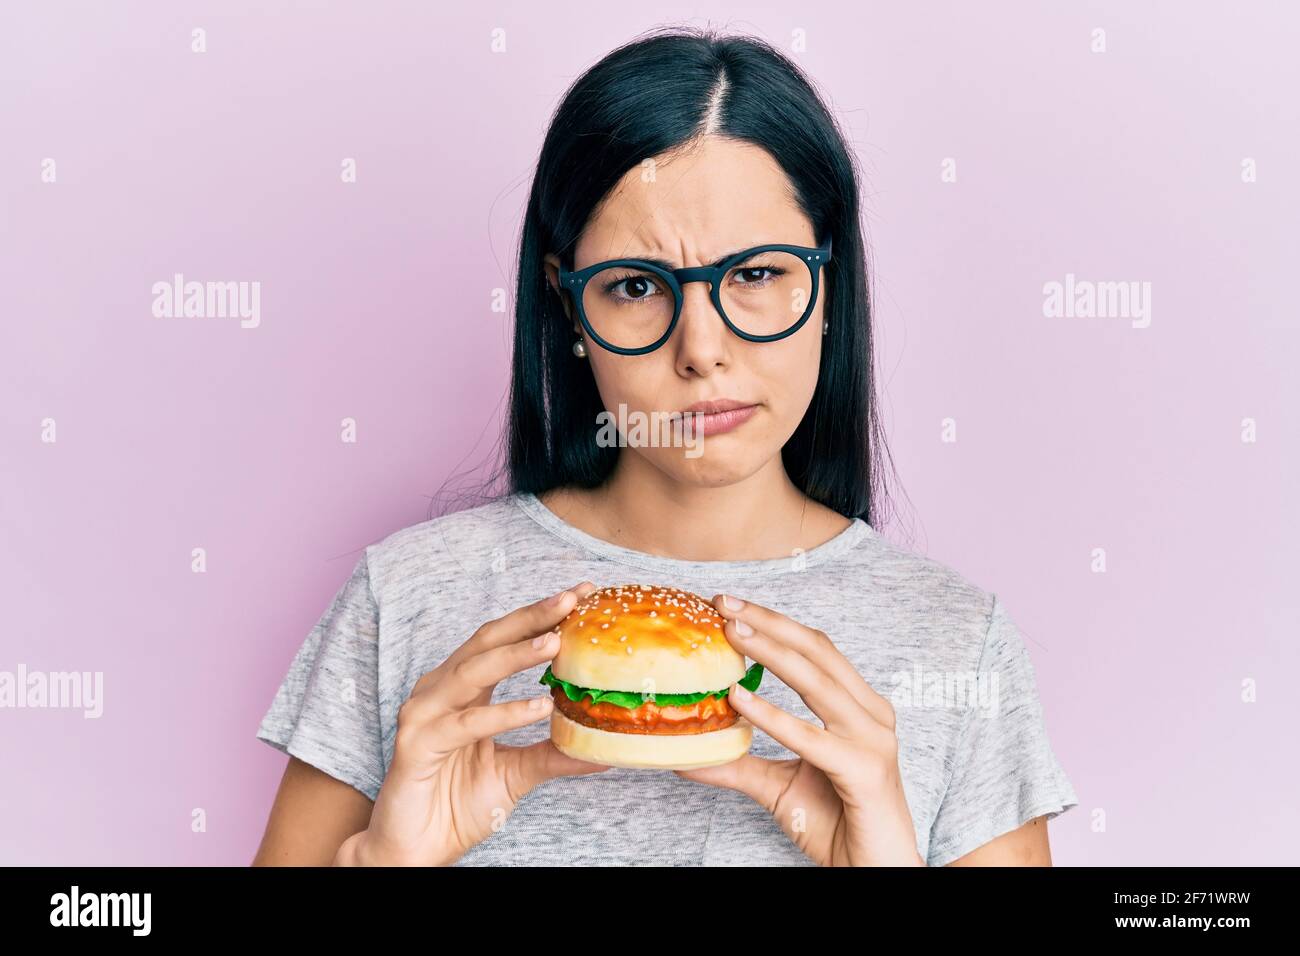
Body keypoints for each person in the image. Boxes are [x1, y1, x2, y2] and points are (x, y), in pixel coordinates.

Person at [252, 26, 1077, 866]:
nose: (702, 349)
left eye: (756, 274)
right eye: (637, 287)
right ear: (568, 306)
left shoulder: (957, 642)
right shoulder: (408, 599)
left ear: (829, 283)